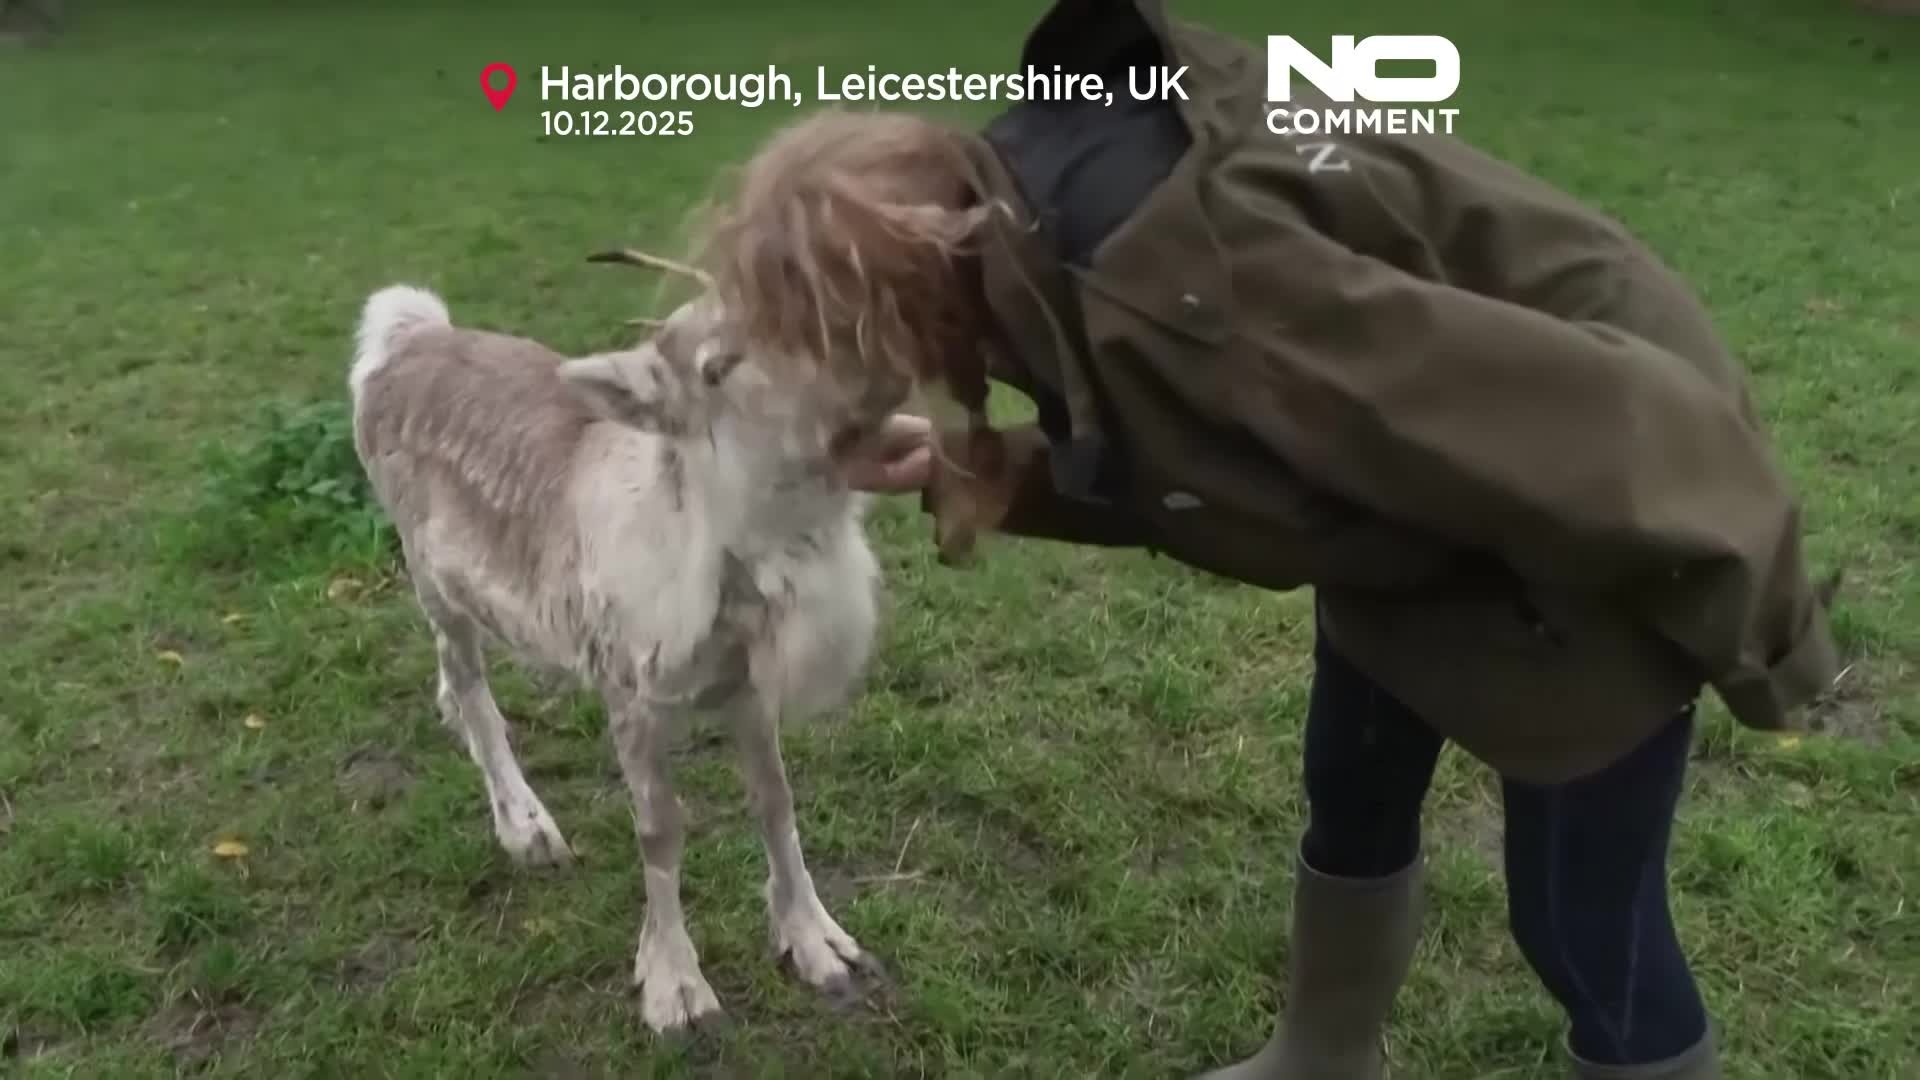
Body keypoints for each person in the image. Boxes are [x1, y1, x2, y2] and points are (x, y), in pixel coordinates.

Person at [686, 1, 1843, 1076]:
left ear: (900, 291)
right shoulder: (1040, 218)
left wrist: (1766, 636)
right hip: (1418, 520)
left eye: (843, 340)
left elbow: (1601, 433)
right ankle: (1324, 1056)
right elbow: (1236, 460)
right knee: (1352, 789)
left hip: (1596, 544)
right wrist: (974, 469)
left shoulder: (1186, 290)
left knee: (1584, 924)